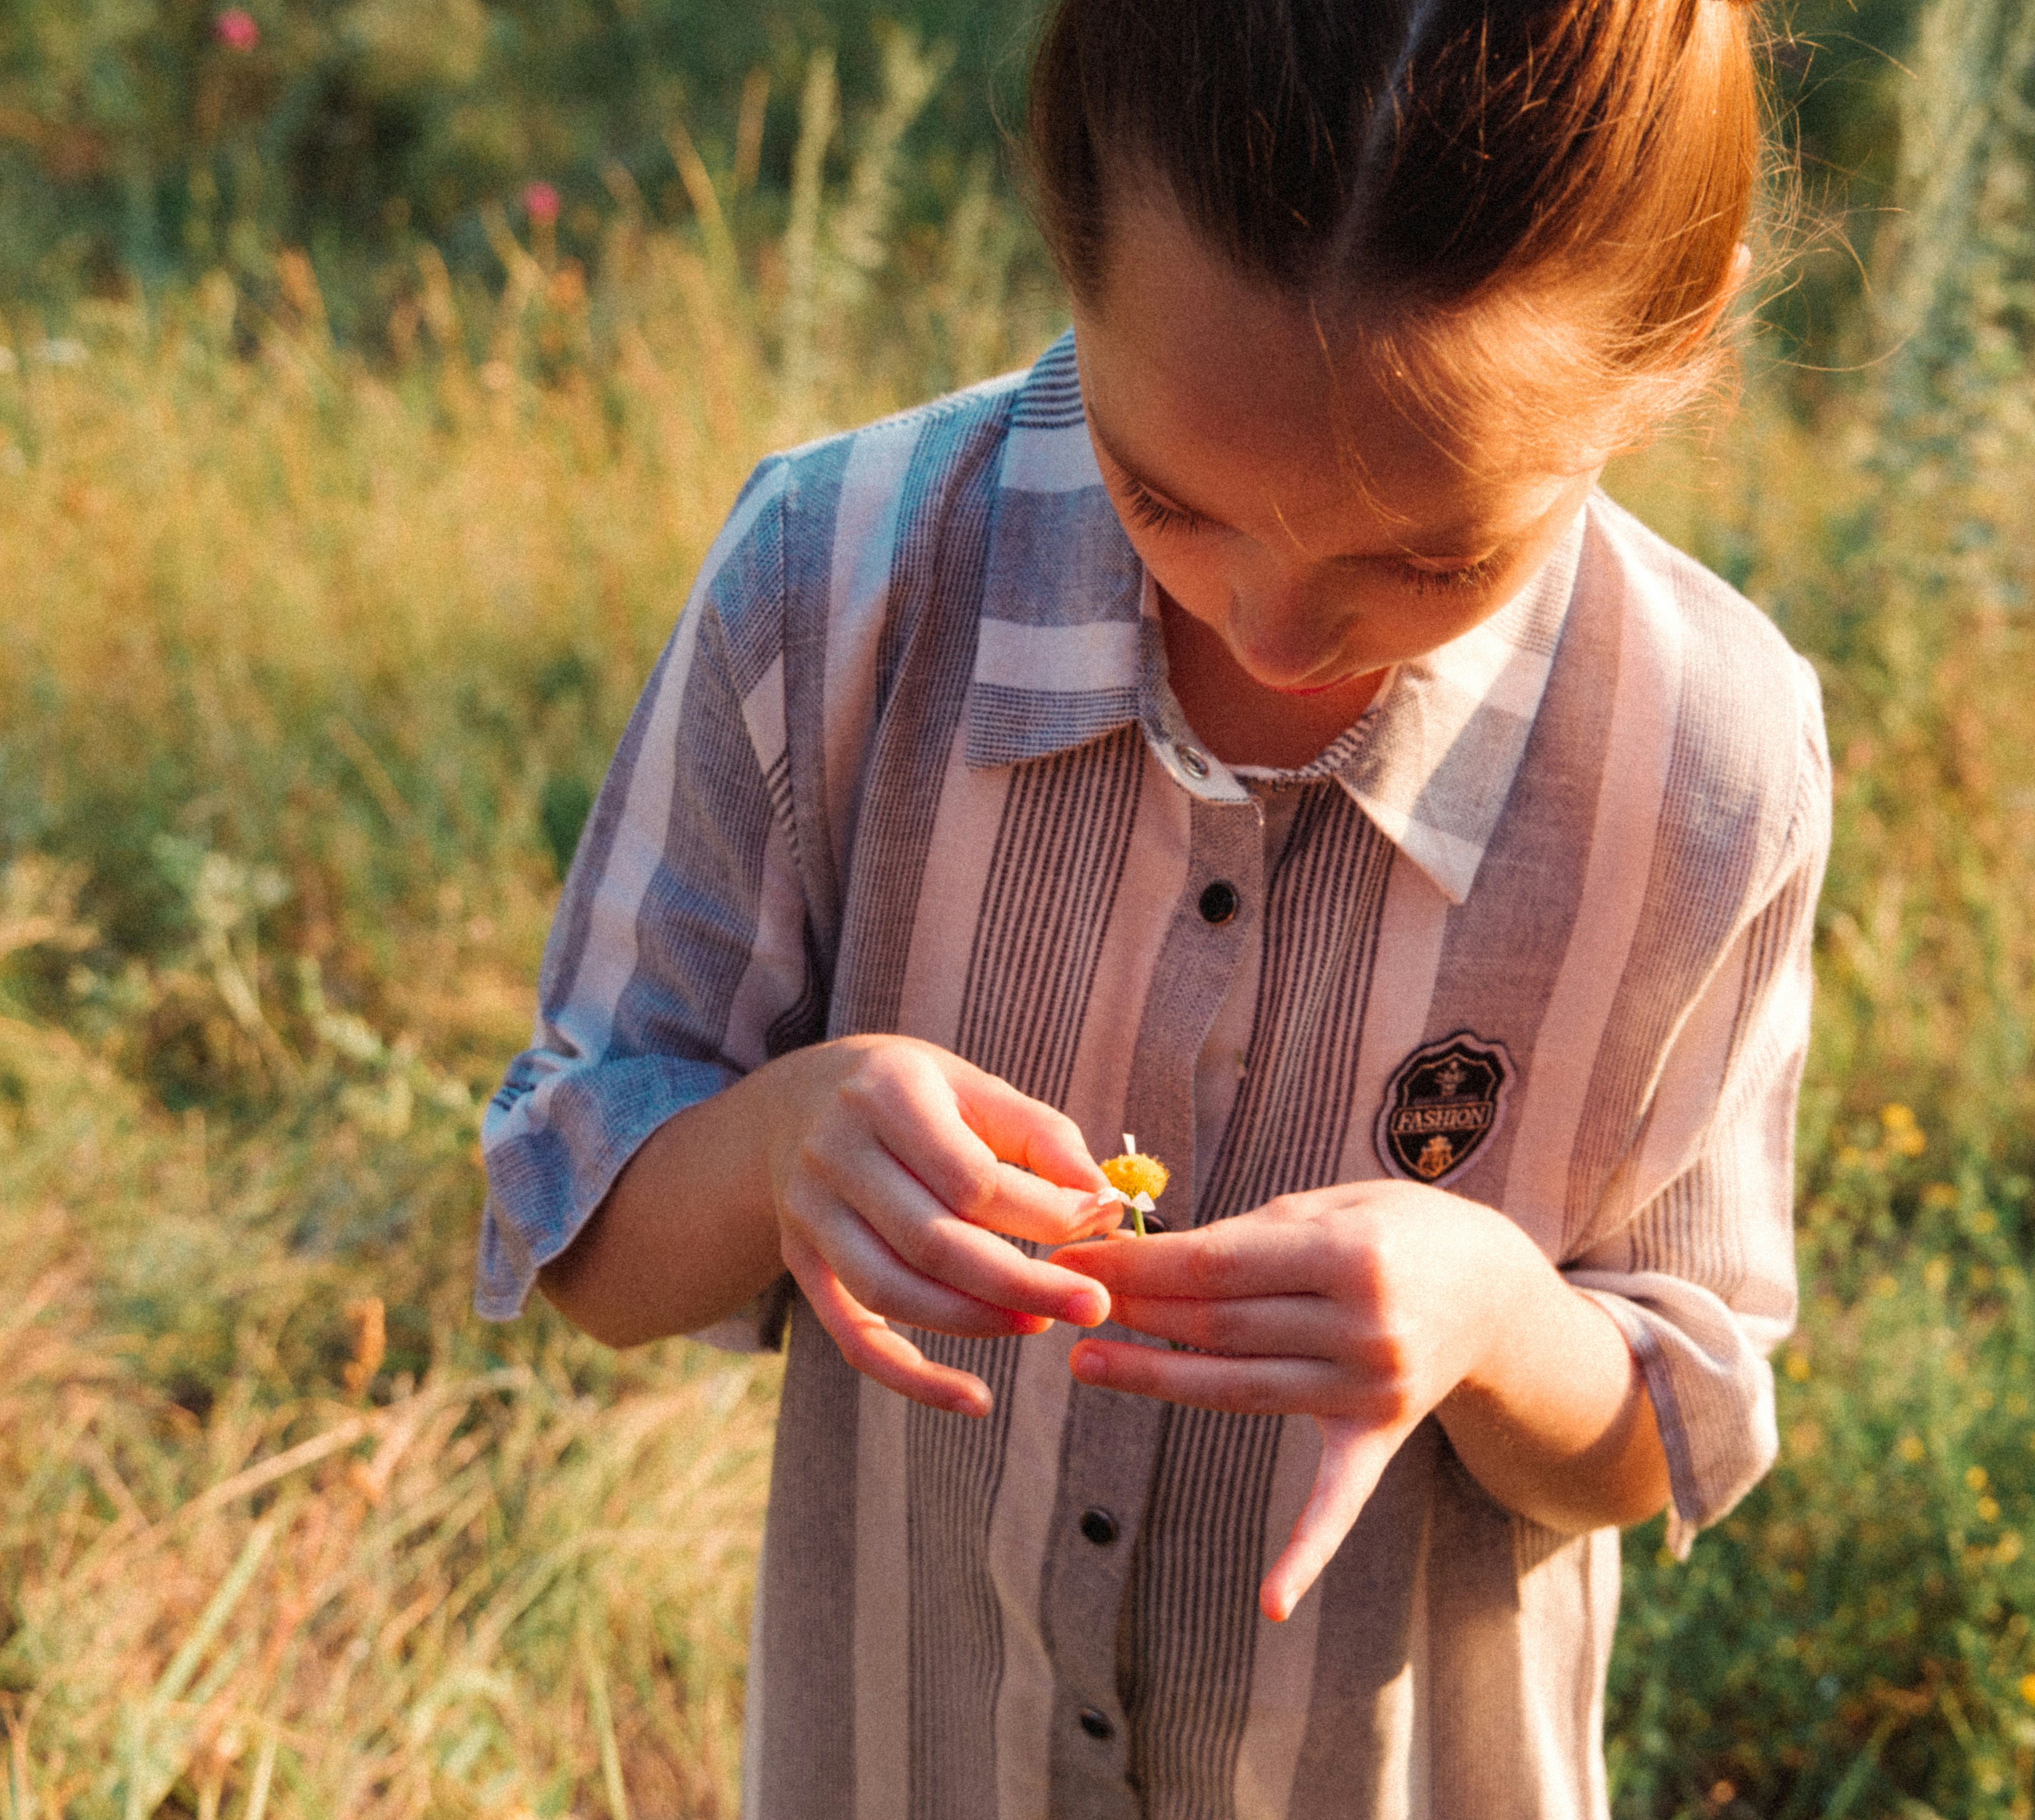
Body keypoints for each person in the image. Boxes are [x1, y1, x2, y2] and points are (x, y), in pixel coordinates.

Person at [477, 1, 1826, 1814]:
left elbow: (1662, 1426)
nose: (1269, 632)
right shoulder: (833, 583)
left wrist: (1495, 1316)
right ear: (1069, 238)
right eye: (1168, 500)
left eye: (1427, 558)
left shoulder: (1706, 760)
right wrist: (779, 1147)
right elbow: (585, 1238)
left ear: (1676, 339)